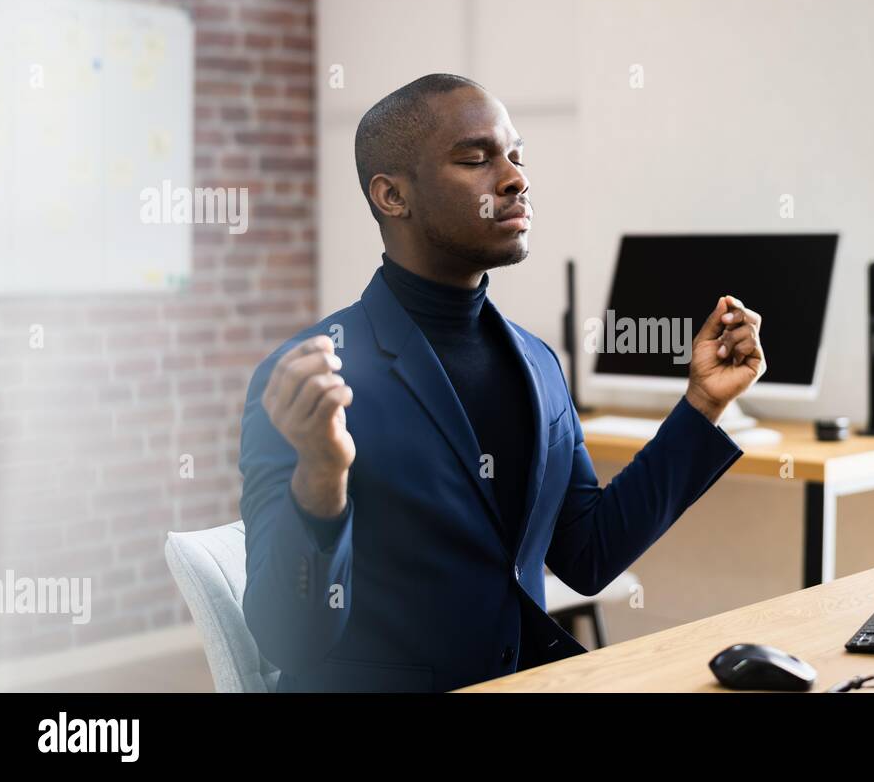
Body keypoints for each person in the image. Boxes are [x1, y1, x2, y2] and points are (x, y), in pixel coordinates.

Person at [239, 73, 766, 692]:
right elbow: (288, 637)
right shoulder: (314, 375)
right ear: (392, 196)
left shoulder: (537, 362)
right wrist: (321, 479)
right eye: (475, 158)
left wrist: (702, 404)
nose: (516, 178)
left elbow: (587, 554)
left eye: (516, 156)